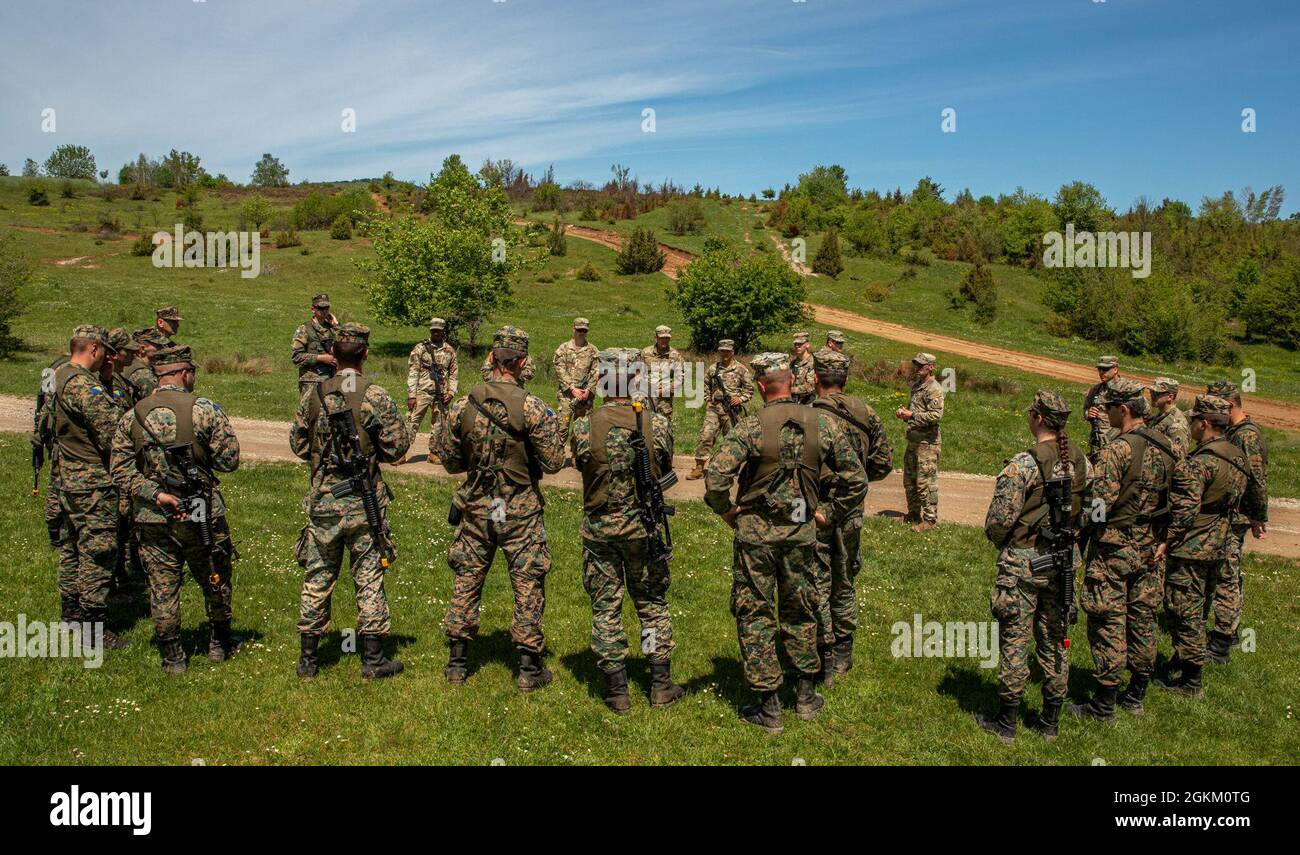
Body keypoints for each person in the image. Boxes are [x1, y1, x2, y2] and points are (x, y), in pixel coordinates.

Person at [704, 352, 866, 733]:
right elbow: (856, 479)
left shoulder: (750, 426)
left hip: (756, 537)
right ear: (792, 381)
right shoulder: (821, 423)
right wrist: (827, 512)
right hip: (800, 534)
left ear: (761, 386)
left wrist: (728, 512)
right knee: (801, 610)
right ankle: (806, 696)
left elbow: (715, 478)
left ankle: (769, 706)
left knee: (756, 614)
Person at [433, 326, 567, 691]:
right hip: (519, 510)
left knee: (467, 577)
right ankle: (528, 668)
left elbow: (449, 460)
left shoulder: (464, 404)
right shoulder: (532, 407)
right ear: (522, 363)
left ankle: (457, 662)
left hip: (478, 507)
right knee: (527, 582)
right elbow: (555, 462)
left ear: (492, 358)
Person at [290, 323, 412, 680]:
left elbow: (298, 444)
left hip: (324, 502)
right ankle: (372, 660)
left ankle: (308, 661)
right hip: (363, 502)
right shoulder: (375, 396)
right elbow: (397, 448)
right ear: (365, 354)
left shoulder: (313, 395)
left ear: (333, 352)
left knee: (317, 576)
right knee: (369, 576)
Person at [110, 345, 241, 673]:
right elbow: (229, 461)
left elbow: (120, 470)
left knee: (163, 586)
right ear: (184, 373)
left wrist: (154, 493)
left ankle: (173, 656)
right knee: (215, 577)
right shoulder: (205, 410)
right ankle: (219, 644)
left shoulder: (134, 415)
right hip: (201, 512)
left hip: (153, 516)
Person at [569, 348, 684, 713]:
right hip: (642, 530)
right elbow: (665, 464)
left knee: (607, 606)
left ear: (601, 381)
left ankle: (617, 689)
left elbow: (582, 465)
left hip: (601, 530)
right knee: (650, 604)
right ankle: (659, 683)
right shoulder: (656, 424)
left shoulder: (584, 426)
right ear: (636, 380)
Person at [975, 390, 1089, 743]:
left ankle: (1007, 722)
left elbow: (998, 521)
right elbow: (1090, 511)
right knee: (1055, 638)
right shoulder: (1082, 461)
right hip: (1063, 560)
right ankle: (1050, 721)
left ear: (1037, 418)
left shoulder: (1024, 465)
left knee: (1015, 637)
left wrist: (1006, 544)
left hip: (1025, 562)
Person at [1068, 378, 1176, 723]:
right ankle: (1136, 694)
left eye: (1110, 408)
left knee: (1108, 620)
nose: (1106, 414)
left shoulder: (1117, 449)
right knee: (1143, 619)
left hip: (1114, 549)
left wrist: (1079, 526)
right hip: (1151, 548)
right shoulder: (1168, 445)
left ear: (1124, 409)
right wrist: (1167, 537)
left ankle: (1103, 703)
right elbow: (1184, 497)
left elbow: (1100, 504)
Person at [1154, 395, 1248, 698]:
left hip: (1191, 547)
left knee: (1184, 610)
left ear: (1204, 424)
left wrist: (1166, 540)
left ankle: (1191, 679)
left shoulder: (1199, 463)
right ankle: (1183, 658)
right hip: (1219, 543)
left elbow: (1184, 513)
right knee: (1200, 605)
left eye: (1194, 420)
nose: (1191, 424)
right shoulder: (1236, 456)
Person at [810, 347, 891, 677]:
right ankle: (844, 650)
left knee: (817, 579)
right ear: (845, 378)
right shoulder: (866, 412)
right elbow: (883, 463)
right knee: (844, 578)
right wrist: (856, 479)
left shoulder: (809, 413)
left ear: (815, 377)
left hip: (817, 508)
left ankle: (823, 651)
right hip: (852, 507)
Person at [50, 326, 130, 649]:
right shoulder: (84, 385)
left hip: (68, 477)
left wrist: (107, 380)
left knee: (71, 547)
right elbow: (114, 432)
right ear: (94, 348)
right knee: (99, 550)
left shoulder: (59, 375)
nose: (108, 359)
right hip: (92, 482)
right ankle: (93, 629)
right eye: (106, 352)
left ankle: (71, 615)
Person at [1203, 379, 1269, 664]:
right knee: (1227, 573)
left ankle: (1221, 642)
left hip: (1236, 516)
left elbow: (1257, 480)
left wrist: (1258, 516)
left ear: (1229, 405)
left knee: (1226, 576)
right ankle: (1227, 631)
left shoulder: (1246, 435)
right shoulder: (1235, 431)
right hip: (1230, 513)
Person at [687, 339, 752, 480]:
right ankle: (699, 468)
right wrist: (708, 399)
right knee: (706, 436)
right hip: (714, 409)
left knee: (732, 440)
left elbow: (749, 389)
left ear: (733, 352)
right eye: (722, 351)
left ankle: (730, 468)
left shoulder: (741, 369)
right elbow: (705, 384)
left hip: (731, 411)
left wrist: (740, 399)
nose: (725, 354)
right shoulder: (713, 369)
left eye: (727, 351)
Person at [897, 352, 944, 532]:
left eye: (921, 365)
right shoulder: (917, 386)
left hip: (928, 443)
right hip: (914, 440)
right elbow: (915, 411)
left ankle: (930, 520)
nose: (917, 368)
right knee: (910, 480)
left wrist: (912, 415)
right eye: (916, 364)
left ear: (930, 367)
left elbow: (936, 415)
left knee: (926, 482)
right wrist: (905, 414)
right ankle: (913, 513)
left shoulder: (934, 389)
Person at [404, 316, 458, 463]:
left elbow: (454, 374)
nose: (436, 333)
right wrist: (411, 395)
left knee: (440, 424)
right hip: (422, 391)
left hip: (441, 393)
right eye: (433, 331)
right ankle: (401, 452)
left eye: (438, 331)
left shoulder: (450, 351)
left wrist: (451, 392)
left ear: (443, 332)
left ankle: (434, 453)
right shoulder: (420, 348)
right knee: (412, 421)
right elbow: (413, 371)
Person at [552, 317, 599, 439]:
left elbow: (596, 371)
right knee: (562, 429)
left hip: (585, 397)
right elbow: (559, 369)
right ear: (573, 329)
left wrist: (588, 390)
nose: (582, 333)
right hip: (567, 396)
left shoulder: (593, 351)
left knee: (582, 432)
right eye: (579, 330)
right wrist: (572, 388)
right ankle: (559, 451)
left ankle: (577, 452)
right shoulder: (563, 348)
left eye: (584, 330)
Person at [291, 293, 337, 399]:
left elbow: (346, 346)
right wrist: (321, 358)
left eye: (326, 308)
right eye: (320, 308)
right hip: (311, 382)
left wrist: (337, 325)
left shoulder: (333, 329)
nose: (324, 311)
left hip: (331, 380)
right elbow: (296, 357)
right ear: (313, 309)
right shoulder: (304, 329)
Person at [640, 325, 683, 421]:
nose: (664, 341)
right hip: (646, 395)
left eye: (667, 338)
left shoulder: (675, 355)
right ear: (656, 337)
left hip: (664, 399)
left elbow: (680, 378)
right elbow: (638, 372)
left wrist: (666, 390)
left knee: (664, 423)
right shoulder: (646, 353)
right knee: (644, 422)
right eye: (662, 338)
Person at [1084, 356, 1120, 462]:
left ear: (1115, 369)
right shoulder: (1095, 390)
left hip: (1117, 442)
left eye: (1105, 369)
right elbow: (1085, 409)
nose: (1101, 372)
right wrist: (1088, 413)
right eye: (1099, 369)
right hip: (1097, 441)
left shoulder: (1125, 390)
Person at [1146, 377, 1190, 460]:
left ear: (1170, 397)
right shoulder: (1160, 416)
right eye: (1151, 392)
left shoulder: (1177, 425)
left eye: (1156, 393)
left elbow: (1179, 458)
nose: (1152, 396)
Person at [789, 332, 816, 404]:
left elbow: (811, 386)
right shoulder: (793, 362)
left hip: (808, 402)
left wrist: (790, 390)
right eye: (795, 344)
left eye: (800, 344)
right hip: (793, 400)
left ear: (807, 345)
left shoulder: (813, 362)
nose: (797, 346)